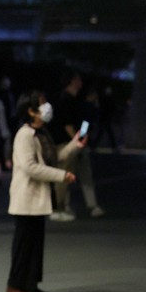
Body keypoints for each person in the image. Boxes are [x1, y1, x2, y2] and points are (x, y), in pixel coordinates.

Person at [7, 89, 85, 292]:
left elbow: (55, 157)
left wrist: (74, 146)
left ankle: (30, 285)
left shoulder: (43, 133)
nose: (47, 106)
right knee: (24, 244)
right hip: (26, 197)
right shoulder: (24, 135)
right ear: (31, 111)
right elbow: (31, 167)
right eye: (41, 104)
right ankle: (15, 285)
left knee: (35, 244)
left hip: (38, 197)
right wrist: (63, 176)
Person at [50, 71, 105, 220]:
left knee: (80, 174)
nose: (80, 82)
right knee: (67, 174)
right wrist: (78, 140)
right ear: (72, 81)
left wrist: (82, 137)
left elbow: (83, 122)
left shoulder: (75, 99)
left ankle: (84, 206)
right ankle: (62, 207)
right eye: (78, 79)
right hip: (67, 144)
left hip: (75, 142)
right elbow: (67, 125)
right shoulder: (65, 100)